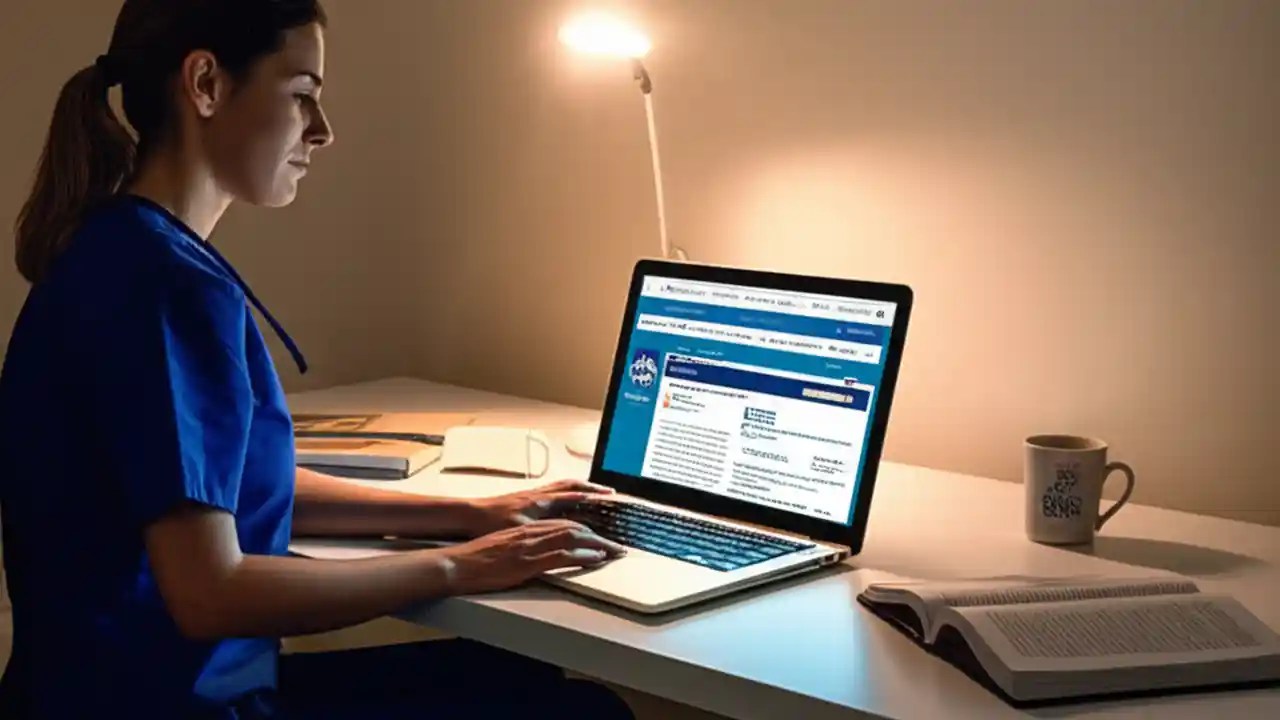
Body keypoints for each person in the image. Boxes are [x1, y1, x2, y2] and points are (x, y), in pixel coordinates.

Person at [0, 1, 633, 718]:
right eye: (302, 94)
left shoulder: (116, 251)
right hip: (166, 706)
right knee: (576, 711)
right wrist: (459, 567)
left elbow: (217, 491)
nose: (323, 131)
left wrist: (469, 513)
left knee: (517, 679)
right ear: (205, 84)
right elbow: (209, 592)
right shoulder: (168, 287)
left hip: (86, 697)